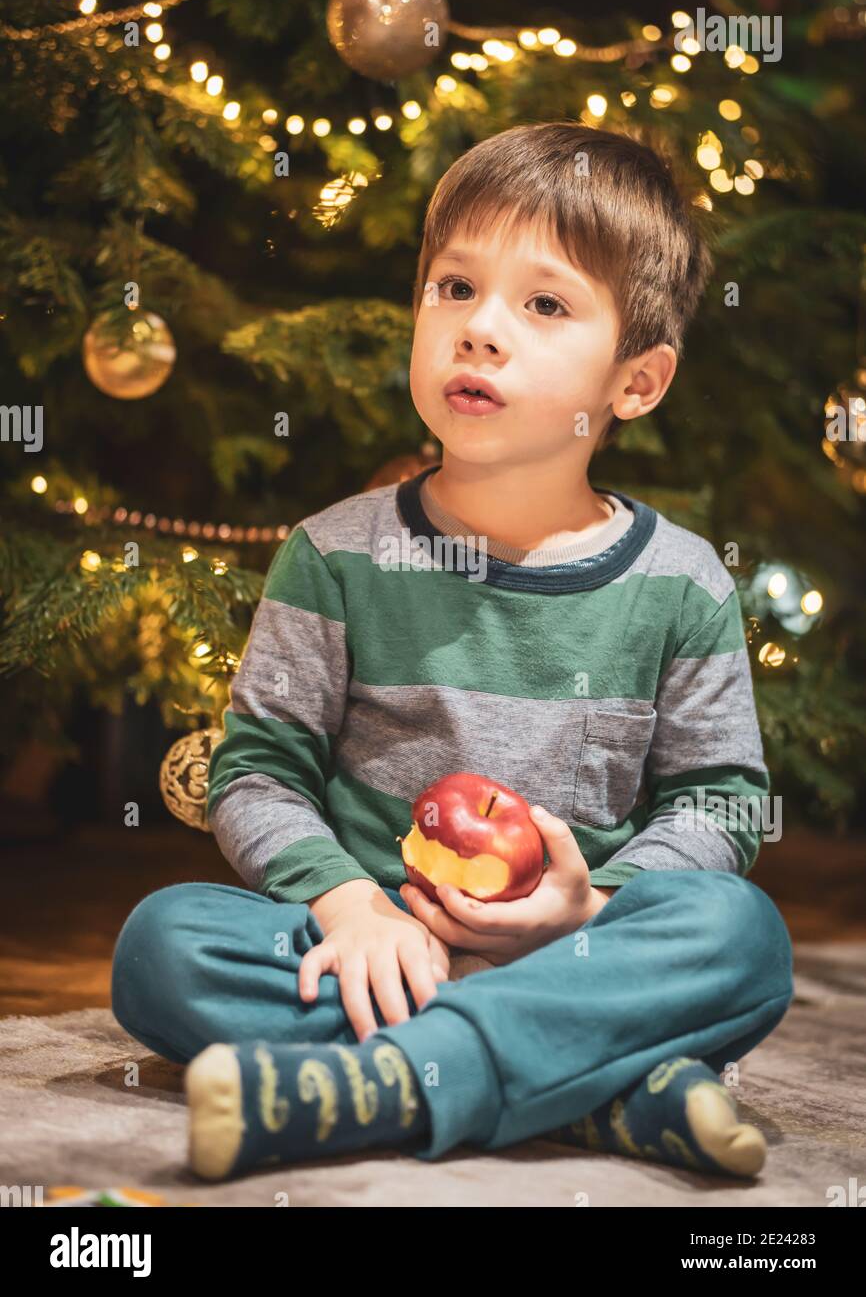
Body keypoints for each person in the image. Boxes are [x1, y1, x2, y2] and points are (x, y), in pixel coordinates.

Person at [111, 122, 794, 1184]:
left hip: (581, 948)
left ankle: (386, 1080)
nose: (479, 329)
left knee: (739, 937)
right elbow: (256, 772)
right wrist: (350, 907)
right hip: (376, 948)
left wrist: (590, 911)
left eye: (544, 305)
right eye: (454, 288)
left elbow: (720, 802)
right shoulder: (332, 557)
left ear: (637, 382)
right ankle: (596, 1087)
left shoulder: (682, 581)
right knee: (164, 945)